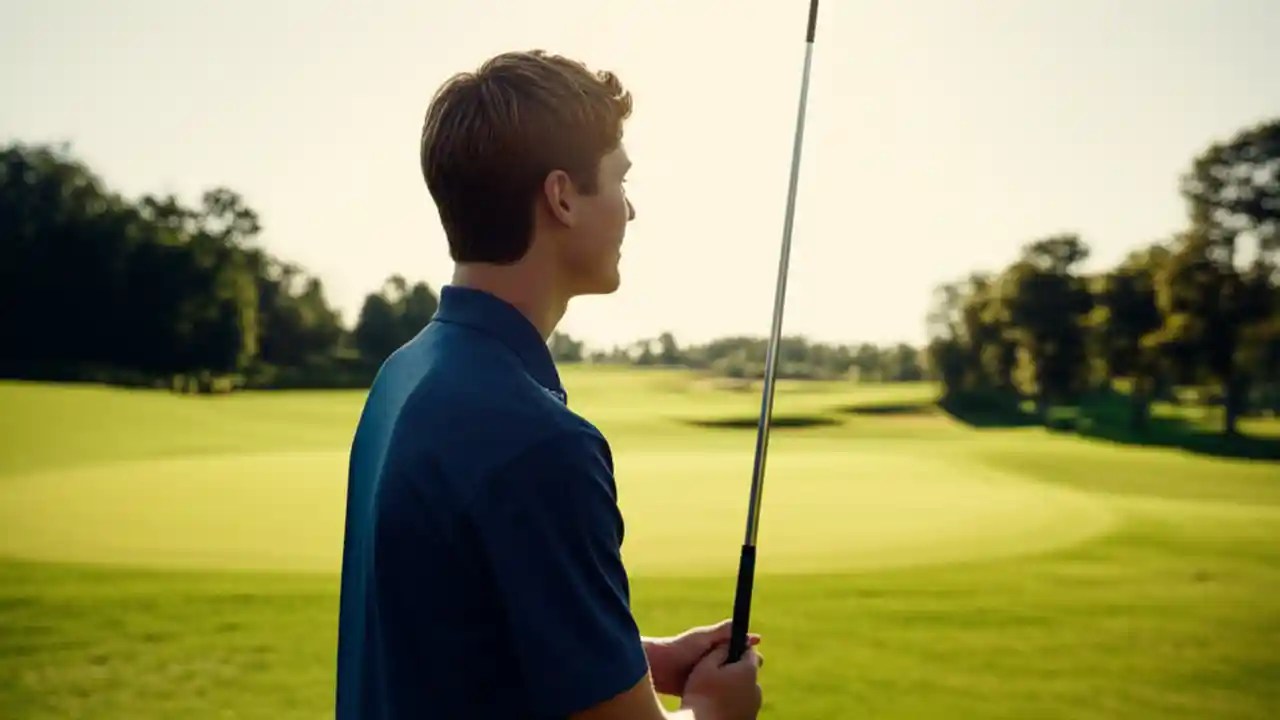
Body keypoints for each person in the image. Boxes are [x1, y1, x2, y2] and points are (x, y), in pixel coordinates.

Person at [335, 49, 765, 719]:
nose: (630, 210)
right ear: (562, 197)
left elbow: (454, 632)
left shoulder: (402, 375)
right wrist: (717, 707)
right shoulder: (541, 442)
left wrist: (638, 659)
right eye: (620, 180)